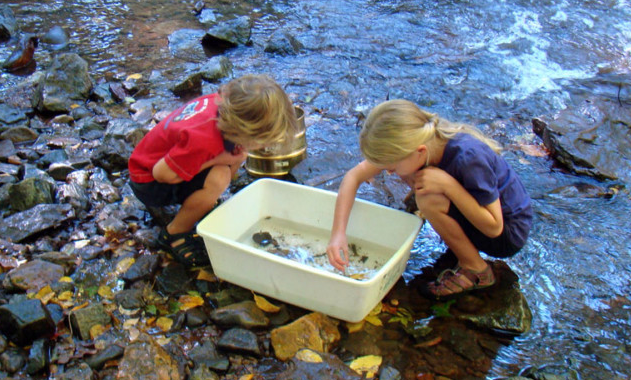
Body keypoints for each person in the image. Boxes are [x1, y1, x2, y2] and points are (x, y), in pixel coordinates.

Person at [327, 100, 532, 298]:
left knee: (427, 198)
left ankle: (476, 269)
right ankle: (459, 246)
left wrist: (448, 186)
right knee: (422, 186)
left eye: (392, 167)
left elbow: (495, 227)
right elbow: (353, 177)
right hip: (478, 221)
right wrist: (338, 233)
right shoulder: (416, 144)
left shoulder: (469, 158)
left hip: (506, 233)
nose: (388, 172)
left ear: (420, 152)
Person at [128, 74, 298, 267]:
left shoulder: (226, 106)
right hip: (148, 181)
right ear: (243, 129)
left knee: (236, 157)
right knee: (219, 176)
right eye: (262, 142)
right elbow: (161, 173)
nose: (264, 147)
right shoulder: (202, 140)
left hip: (166, 161)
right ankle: (174, 233)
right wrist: (220, 160)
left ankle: (203, 201)